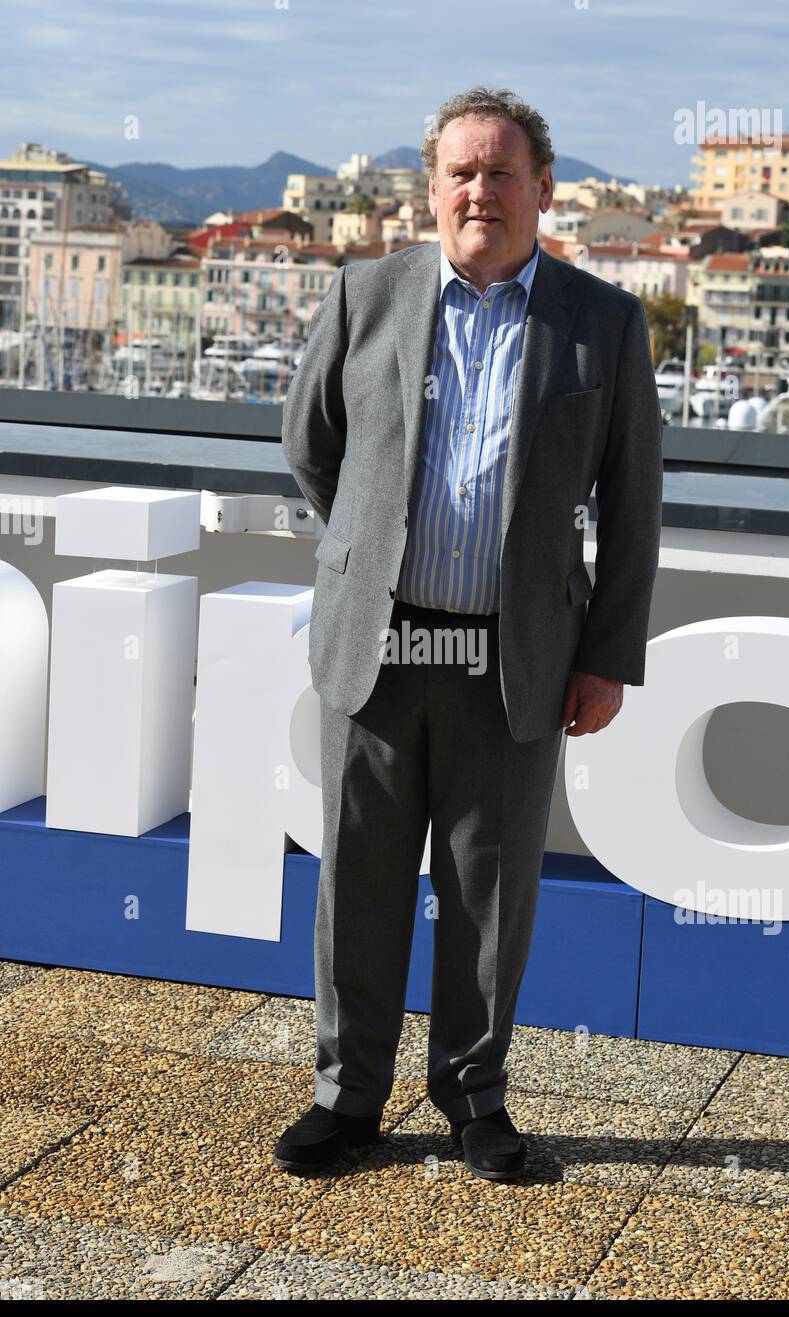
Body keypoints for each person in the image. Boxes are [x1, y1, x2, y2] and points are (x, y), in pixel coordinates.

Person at [275, 86, 663, 1181]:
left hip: (515, 656)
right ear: (430, 188)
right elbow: (313, 447)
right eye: (459, 171)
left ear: (542, 190)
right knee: (357, 880)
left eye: (500, 172)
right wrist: (365, 553)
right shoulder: (365, 295)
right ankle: (346, 1097)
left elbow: (632, 506)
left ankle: (473, 1096)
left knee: (489, 894)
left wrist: (604, 655)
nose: (478, 190)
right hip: (380, 644)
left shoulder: (600, 322)